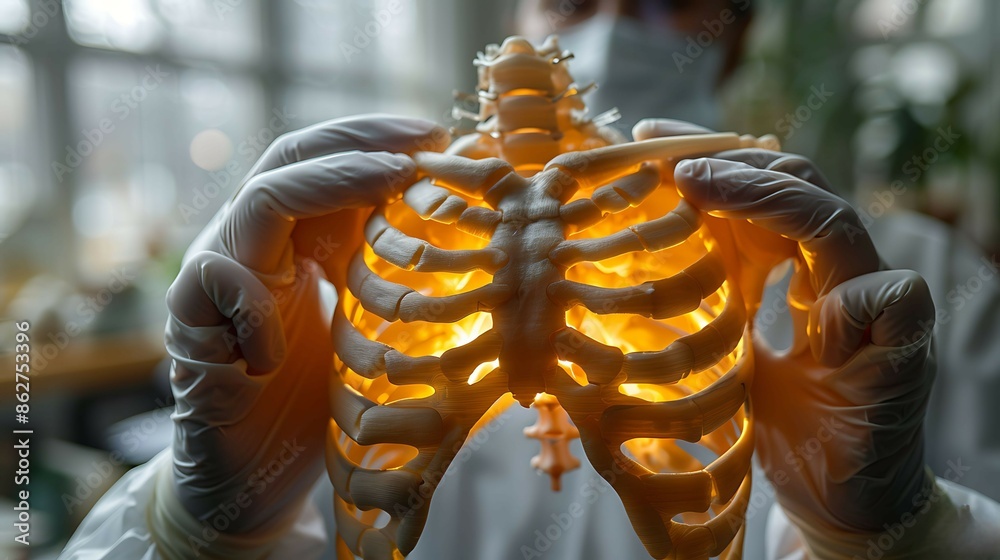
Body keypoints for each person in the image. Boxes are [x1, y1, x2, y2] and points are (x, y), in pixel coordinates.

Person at [60, 1, 1000, 558]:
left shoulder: (899, 286)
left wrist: (904, 536)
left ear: (738, 31)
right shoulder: (329, 264)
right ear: (518, 11)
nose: (613, 29)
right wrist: (194, 530)